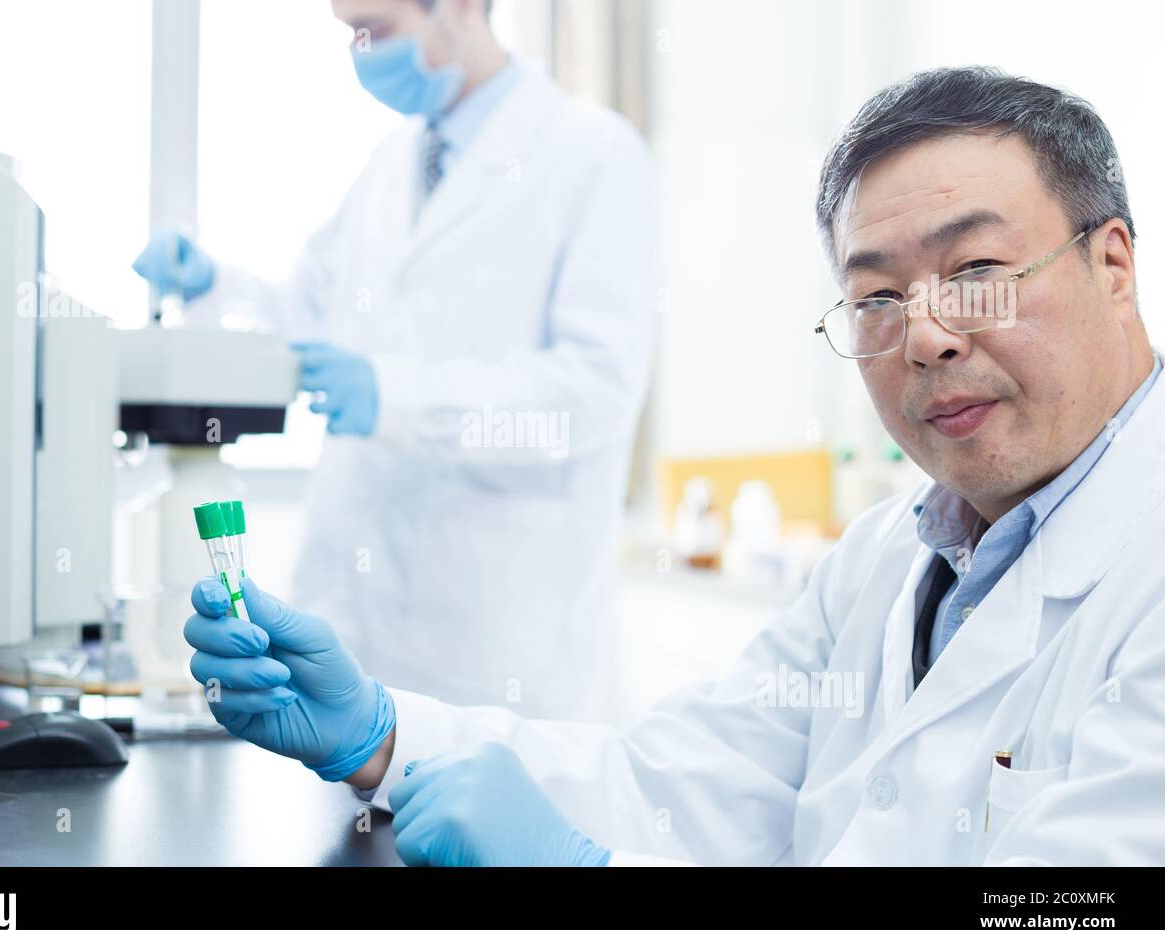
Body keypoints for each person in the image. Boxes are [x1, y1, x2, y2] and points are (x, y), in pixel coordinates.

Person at [185, 65, 1165, 866]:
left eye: (977, 274)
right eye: (874, 297)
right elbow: (682, 784)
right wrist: (382, 734)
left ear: (1112, 265)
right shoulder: (890, 556)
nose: (924, 335)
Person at [137, 0, 657, 720]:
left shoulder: (593, 154)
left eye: (376, 29)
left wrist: (396, 398)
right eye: (349, 31)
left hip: (497, 647)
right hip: (355, 628)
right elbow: (303, 316)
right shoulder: (391, 164)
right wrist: (214, 286)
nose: (360, 50)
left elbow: (594, 392)